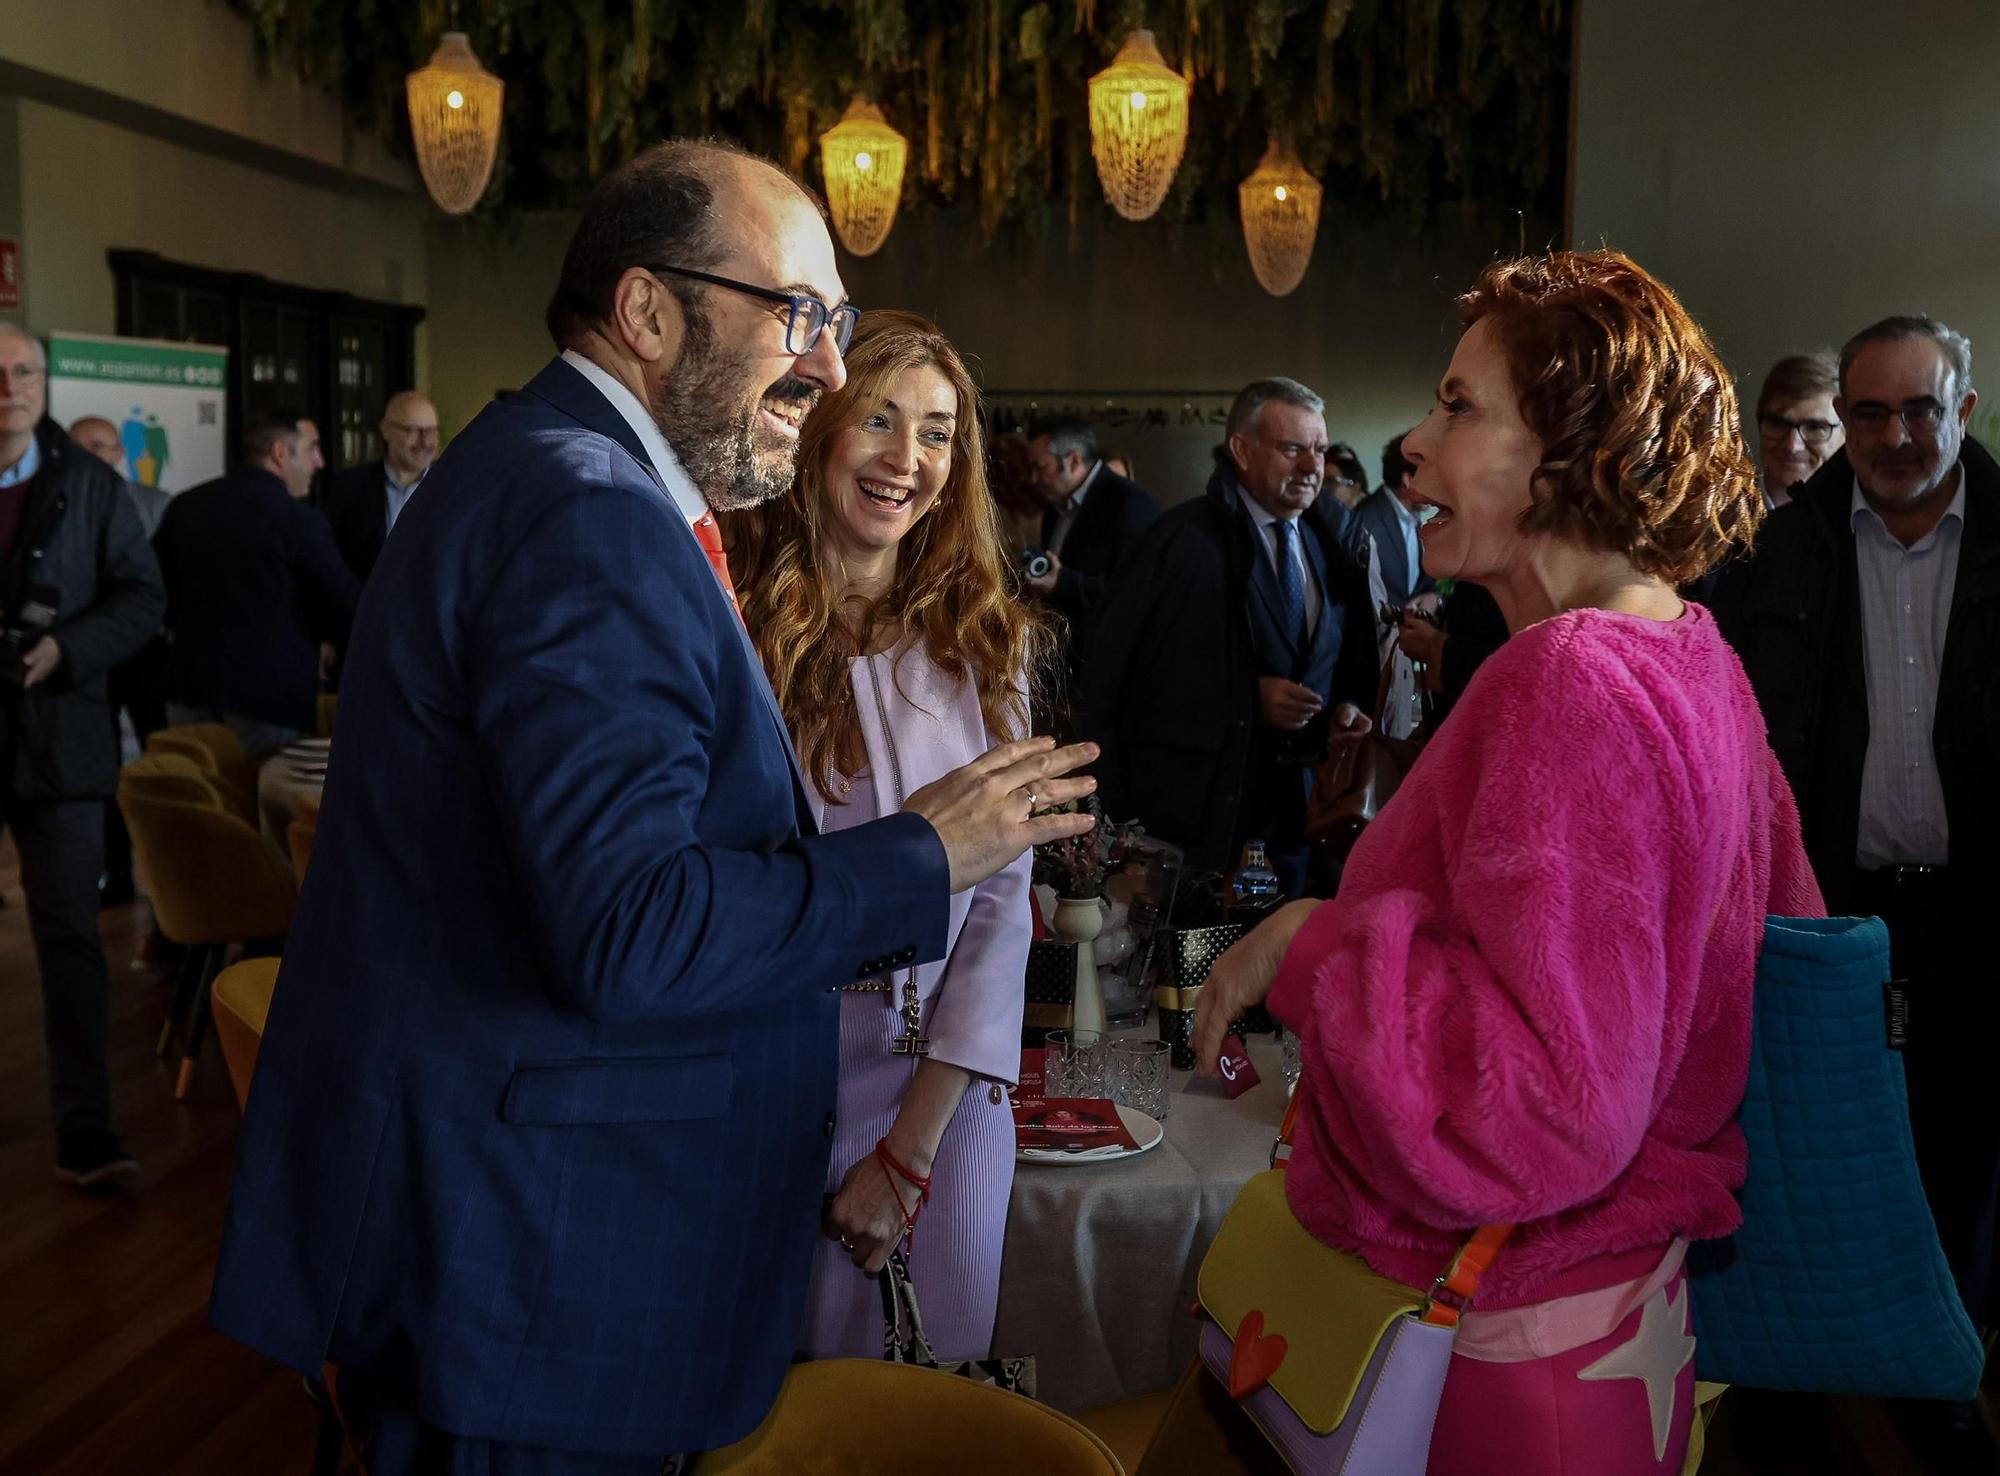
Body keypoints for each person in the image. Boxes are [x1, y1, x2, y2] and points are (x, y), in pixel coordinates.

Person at [206, 140, 1096, 1475]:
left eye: (837, 329)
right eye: (801, 316)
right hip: (540, 1275)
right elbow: (634, 927)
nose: (831, 369)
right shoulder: (588, 516)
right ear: (650, 313)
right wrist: (928, 851)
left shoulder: (559, 476)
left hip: (523, 1242)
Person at [1191, 252, 1822, 1475]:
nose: (1412, 445)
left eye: (1458, 406)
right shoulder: (1693, 654)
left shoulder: (1571, 681)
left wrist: (1309, 946)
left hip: (1501, 1337)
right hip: (1619, 1325)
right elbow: (1762, 962)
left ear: (1570, 447)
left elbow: (1544, 1110)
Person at [729, 309, 1051, 1361]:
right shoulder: (732, 633)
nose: (904, 459)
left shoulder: (980, 646)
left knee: (915, 1415)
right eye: (877, 418)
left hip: (936, 1103)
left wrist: (907, 1156)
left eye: (936, 432)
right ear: (818, 429)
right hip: (755, 1092)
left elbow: (1001, 914)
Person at [1715, 314, 1999, 1474]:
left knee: (1954, 1160)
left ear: (1963, 410)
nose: (1890, 435)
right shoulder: (1771, 558)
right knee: (1808, 1161)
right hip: (1822, 923)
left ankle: (1929, 1378)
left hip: (1976, 923)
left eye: (1917, 408)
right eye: (1868, 410)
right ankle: (1796, 1390)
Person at [1084, 377, 1375, 892]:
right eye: (1292, 449)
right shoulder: (1179, 542)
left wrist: (1342, 709)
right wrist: (1244, 699)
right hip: (1198, 825)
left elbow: (1335, 659)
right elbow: (1111, 680)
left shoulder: (1330, 545)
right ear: (1241, 449)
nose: (1313, 468)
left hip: (1300, 826)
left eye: (1320, 450)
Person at [0, 323, 167, 1190]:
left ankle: (85, 1131)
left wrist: (65, 649)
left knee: (69, 940)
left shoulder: (93, 486)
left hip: (60, 744)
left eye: (24, 370)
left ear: (44, 381)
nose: (10, 387)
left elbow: (143, 598)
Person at [152, 409, 358, 760]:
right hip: (269, 702)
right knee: (266, 811)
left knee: (199, 807)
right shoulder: (298, 520)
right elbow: (346, 601)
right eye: (312, 449)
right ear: (280, 453)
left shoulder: (185, 506)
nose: (319, 462)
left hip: (188, 689)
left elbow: (155, 593)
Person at [69, 415, 172, 906]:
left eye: (107, 446)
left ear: (120, 453)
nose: (101, 454)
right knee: (98, 768)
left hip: (147, 655)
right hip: (86, 657)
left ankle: (173, 876)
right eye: (88, 446)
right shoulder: (54, 503)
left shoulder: (157, 505)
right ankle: (115, 873)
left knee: (162, 764)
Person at [1022, 414, 1158, 644]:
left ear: (1073, 461)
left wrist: (1061, 583)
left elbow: (1141, 591)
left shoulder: (1129, 504)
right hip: (1064, 655)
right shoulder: (1054, 509)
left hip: (1110, 657)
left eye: (1040, 467)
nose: (1033, 478)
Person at [319, 390, 441, 583]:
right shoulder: (348, 488)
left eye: (432, 431)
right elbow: (327, 559)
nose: (425, 442)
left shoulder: (450, 489)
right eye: (412, 431)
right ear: (386, 429)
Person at [1356, 430, 1436, 607]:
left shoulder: (1412, 514)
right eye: (1434, 479)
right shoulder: (1365, 522)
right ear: (1408, 480)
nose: (1439, 489)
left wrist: (1432, 596)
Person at [1751, 351, 1842, 507]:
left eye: (1814, 428)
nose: (1792, 446)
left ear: (1846, 433)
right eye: (1779, 423)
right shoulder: (1714, 516)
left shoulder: (1869, 523)